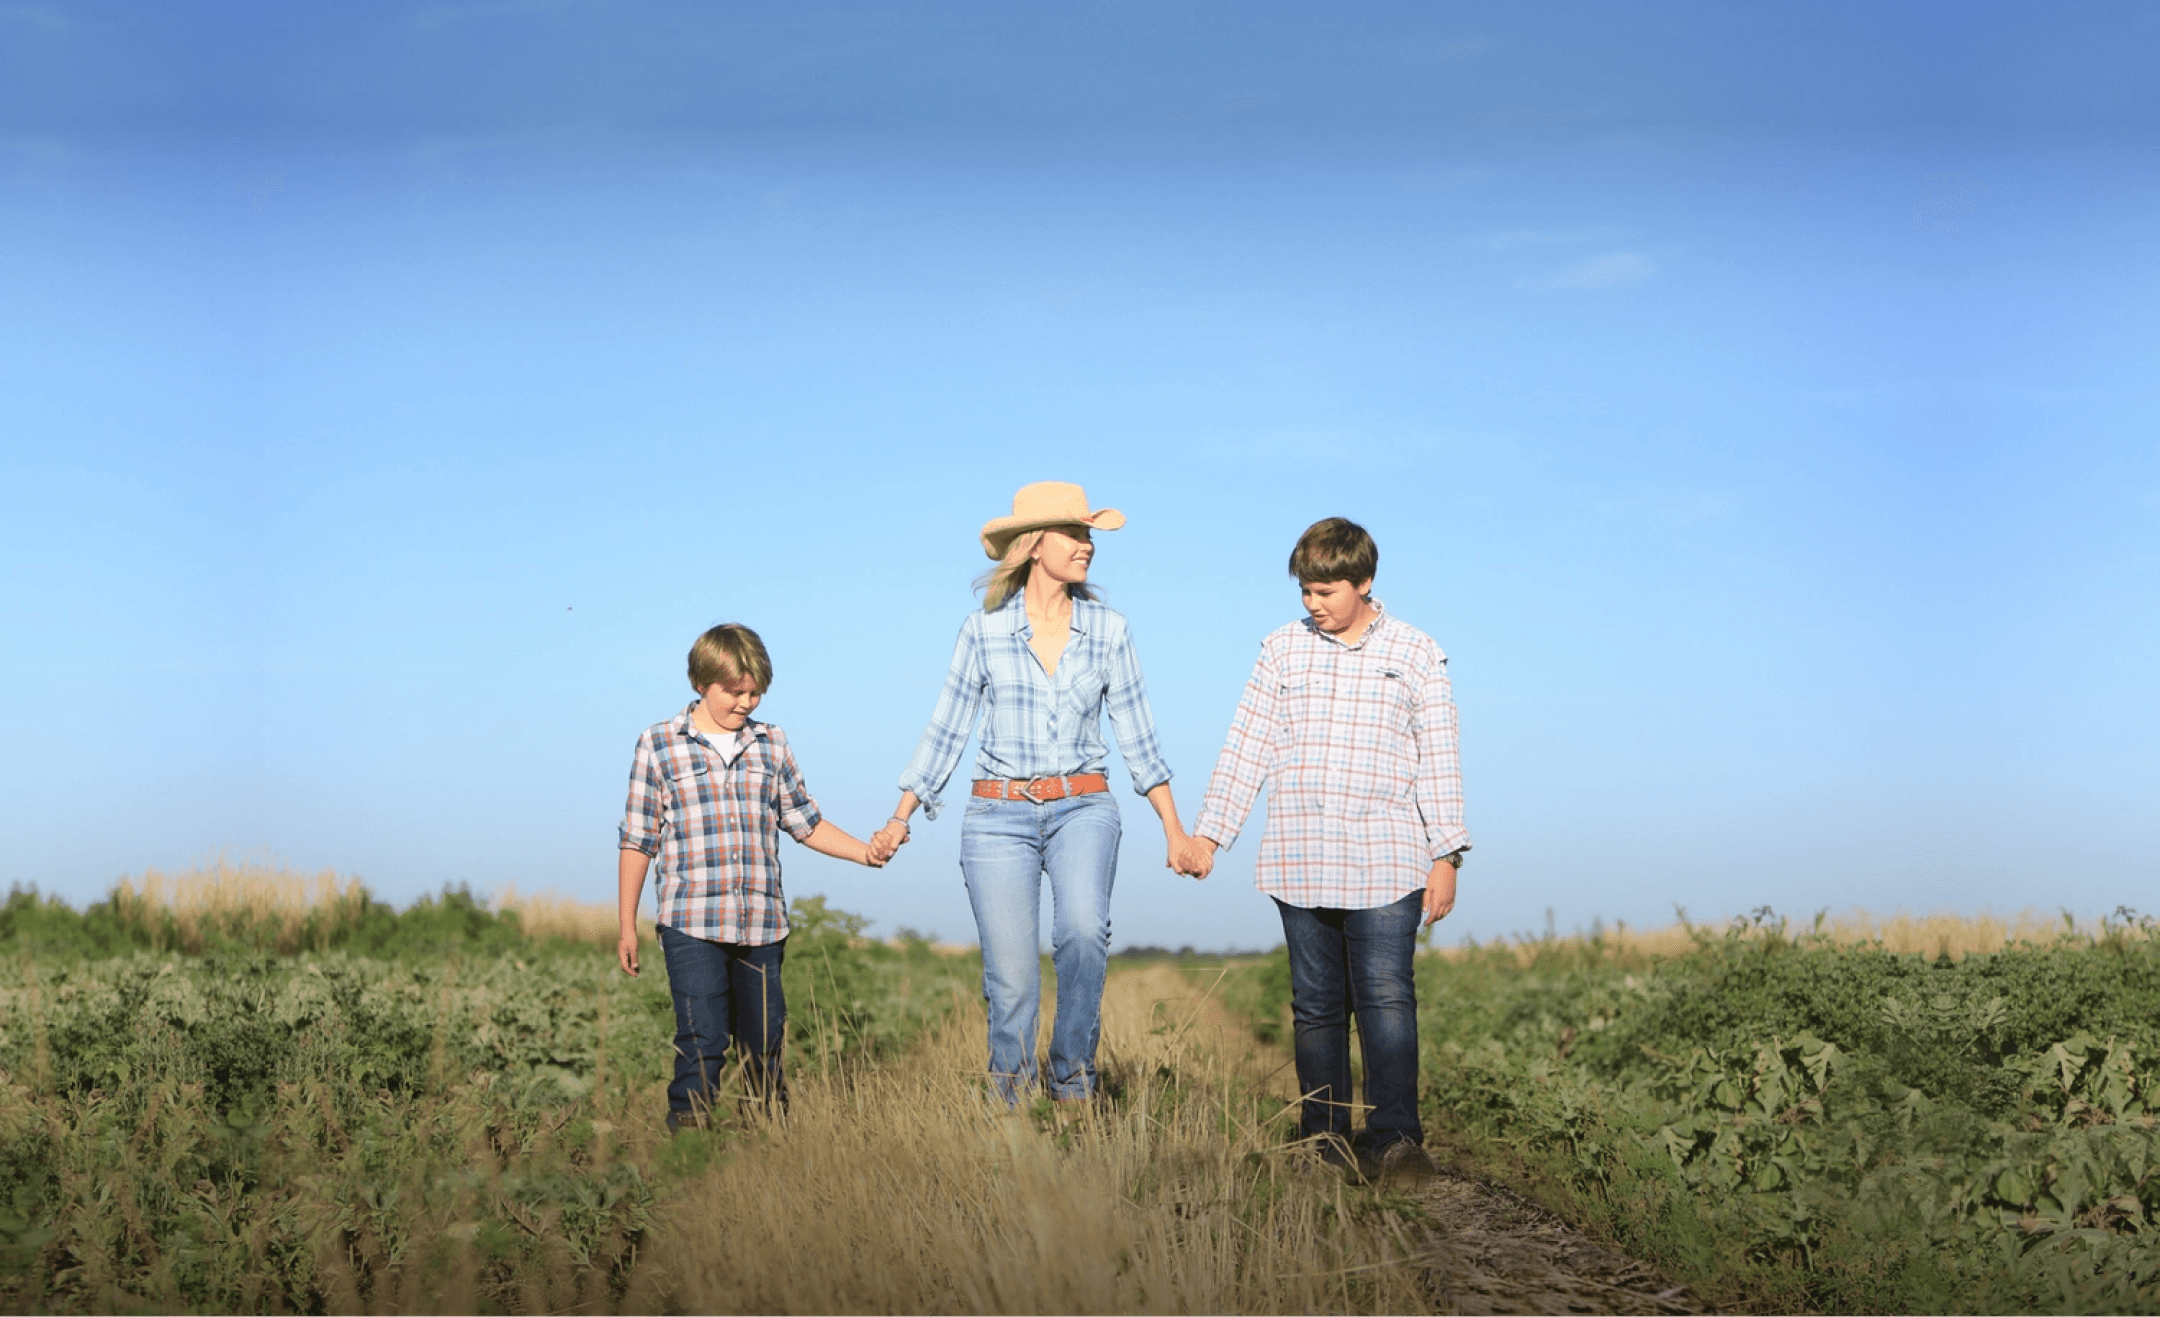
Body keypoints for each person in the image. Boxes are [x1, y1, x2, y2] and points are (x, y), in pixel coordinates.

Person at [871, 481, 1196, 1106]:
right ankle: (1012, 1104)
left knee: (1081, 933)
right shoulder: (983, 630)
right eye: (1074, 534)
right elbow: (946, 727)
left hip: (1084, 806)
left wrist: (1175, 832)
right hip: (998, 814)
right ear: (1032, 545)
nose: (1087, 546)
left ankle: (1073, 1085)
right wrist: (900, 816)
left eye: (1088, 534)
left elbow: (1139, 736)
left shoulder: (1110, 629)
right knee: (1013, 976)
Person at [1180, 517, 1469, 1185]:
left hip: (1390, 854)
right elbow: (1245, 744)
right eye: (1305, 592)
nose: (1312, 604)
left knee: (1387, 1000)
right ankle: (1324, 1141)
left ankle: (1395, 1141)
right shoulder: (1281, 650)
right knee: (1315, 1004)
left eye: (1326, 591)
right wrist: (1210, 833)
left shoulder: (1418, 652)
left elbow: (1440, 760)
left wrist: (1447, 853)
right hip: (1300, 852)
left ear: (1364, 582)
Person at [616, 622, 883, 1132]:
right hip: (689, 921)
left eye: (755, 691)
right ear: (701, 683)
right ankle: (690, 1154)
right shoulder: (658, 744)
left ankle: (768, 1149)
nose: (746, 702)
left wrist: (865, 853)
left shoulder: (771, 742)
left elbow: (805, 822)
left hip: (762, 923)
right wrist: (627, 925)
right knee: (702, 1042)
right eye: (734, 691)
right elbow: (637, 839)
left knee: (764, 1045)